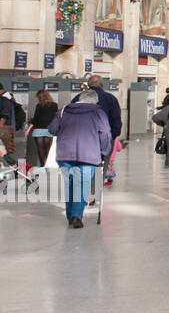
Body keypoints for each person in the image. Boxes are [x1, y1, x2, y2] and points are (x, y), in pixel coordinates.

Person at [48, 89, 111, 228]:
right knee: (82, 184)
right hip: (89, 154)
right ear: (94, 101)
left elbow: (52, 129)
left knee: (70, 184)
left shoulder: (64, 111)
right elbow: (106, 133)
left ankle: (71, 215)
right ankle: (76, 215)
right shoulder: (98, 112)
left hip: (65, 153)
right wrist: (104, 151)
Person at [87, 76, 122, 184]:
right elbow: (116, 120)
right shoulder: (110, 99)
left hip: (85, 138)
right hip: (105, 138)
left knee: (85, 164)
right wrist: (113, 136)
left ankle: (85, 192)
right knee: (102, 164)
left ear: (88, 85)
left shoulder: (78, 98)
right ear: (102, 85)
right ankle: (94, 193)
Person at [25, 89, 59, 167]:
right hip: (49, 129)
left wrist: (28, 129)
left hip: (38, 130)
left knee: (40, 149)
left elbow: (35, 118)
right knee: (48, 149)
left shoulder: (39, 105)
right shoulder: (54, 105)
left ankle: (42, 165)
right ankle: (48, 165)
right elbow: (56, 117)